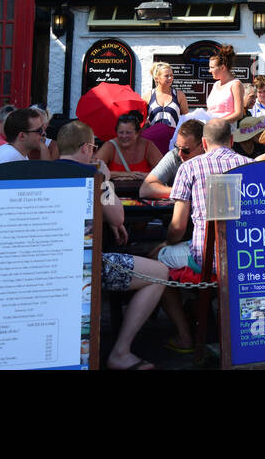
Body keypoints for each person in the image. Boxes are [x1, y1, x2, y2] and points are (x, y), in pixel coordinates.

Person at [53, 119, 192, 368]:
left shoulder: (44, 173)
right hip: (87, 267)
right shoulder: (92, 176)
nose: (95, 152)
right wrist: (105, 181)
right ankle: (121, 351)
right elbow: (118, 216)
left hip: (46, 268)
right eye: (93, 148)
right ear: (85, 148)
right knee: (159, 272)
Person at [162, 119, 250, 272]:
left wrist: (167, 242)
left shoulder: (189, 167)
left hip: (205, 259)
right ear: (231, 140)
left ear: (203, 143)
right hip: (246, 258)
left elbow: (178, 227)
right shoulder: (251, 165)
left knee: (161, 257)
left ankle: (191, 296)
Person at [139, 119, 204, 201]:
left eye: (185, 150)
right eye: (177, 147)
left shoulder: (214, 161)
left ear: (202, 146)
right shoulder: (174, 156)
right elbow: (145, 189)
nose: (180, 154)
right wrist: (184, 191)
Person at [97, 112, 161, 182]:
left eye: (128, 132)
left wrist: (139, 176)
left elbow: (163, 172)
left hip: (144, 191)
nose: (124, 136)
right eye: (121, 132)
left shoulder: (148, 146)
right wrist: (124, 174)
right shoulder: (110, 146)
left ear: (137, 133)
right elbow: (94, 171)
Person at [205, 44, 245, 123]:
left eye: (212, 67)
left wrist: (219, 122)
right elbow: (210, 110)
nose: (209, 71)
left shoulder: (235, 84)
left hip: (225, 131)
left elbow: (239, 113)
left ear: (223, 67)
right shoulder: (215, 84)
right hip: (210, 129)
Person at [146, 62, 189, 130]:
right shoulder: (148, 96)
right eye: (166, 76)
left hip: (173, 138)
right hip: (153, 138)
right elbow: (141, 119)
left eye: (171, 75)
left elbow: (186, 119)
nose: (170, 78)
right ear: (157, 78)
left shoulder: (179, 95)